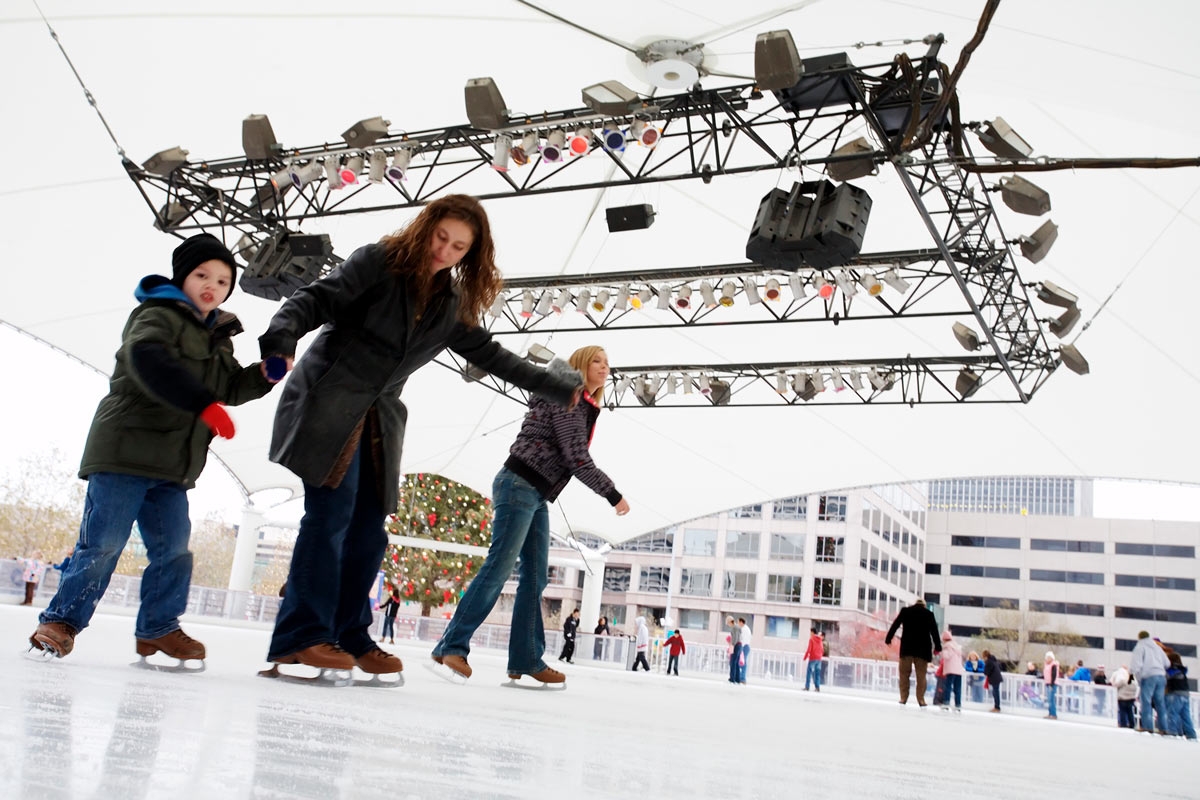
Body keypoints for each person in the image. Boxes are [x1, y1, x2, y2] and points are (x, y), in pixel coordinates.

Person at [259, 195, 588, 683]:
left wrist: (562, 386)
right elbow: (315, 299)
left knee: (370, 532)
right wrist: (281, 340)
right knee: (330, 517)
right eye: (441, 238)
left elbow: (492, 355)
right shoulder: (378, 262)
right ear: (426, 228)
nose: (446, 251)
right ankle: (299, 637)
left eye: (459, 247)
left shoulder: (447, 302)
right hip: (331, 400)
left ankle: (350, 635)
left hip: (378, 419)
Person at [28, 233, 275, 662]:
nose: (212, 286)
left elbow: (229, 386)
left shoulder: (217, 336)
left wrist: (265, 374)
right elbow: (149, 361)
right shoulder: (157, 316)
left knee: (174, 550)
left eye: (222, 280)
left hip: (172, 467)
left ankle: (158, 628)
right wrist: (202, 406)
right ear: (182, 278)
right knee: (103, 543)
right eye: (202, 275)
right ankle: (61, 621)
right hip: (124, 452)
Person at [429, 344, 628, 685]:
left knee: (535, 577)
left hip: (535, 493)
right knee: (499, 567)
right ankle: (451, 645)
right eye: (597, 360)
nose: (605, 367)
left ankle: (526, 659)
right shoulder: (567, 395)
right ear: (580, 364)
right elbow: (576, 458)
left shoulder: (580, 402)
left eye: (608, 363)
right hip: (519, 484)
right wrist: (612, 494)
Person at [884, 597, 941, 706]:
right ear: (924, 605)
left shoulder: (906, 611)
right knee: (921, 676)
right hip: (922, 651)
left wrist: (888, 638)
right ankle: (921, 699)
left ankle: (903, 698)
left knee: (904, 674)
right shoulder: (928, 614)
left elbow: (895, 625)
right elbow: (934, 631)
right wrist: (937, 647)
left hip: (907, 649)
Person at [1130, 630, 1170, 733]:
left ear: (1139, 637)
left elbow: (1136, 665)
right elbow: (1167, 663)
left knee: (1146, 702)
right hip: (1161, 676)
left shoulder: (1139, 647)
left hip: (1148, 677)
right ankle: (1163, 728)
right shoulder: (1157, 647)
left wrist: (1137, 676)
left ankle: (1147, 727)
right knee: (1160, 703)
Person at [1163, 648, 1196, 740]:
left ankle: (1172, 732)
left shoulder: (1172, 669)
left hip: (1175, 693)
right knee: (1185, 715)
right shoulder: (1182, 670)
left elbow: (1165, 677)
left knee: (1172, 713)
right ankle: (1191, 734)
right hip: (1185, 694)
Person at [939, 630, 964, 712]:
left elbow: (947, 656)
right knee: (957, 688)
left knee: (948, 687)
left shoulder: (947, 646)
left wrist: (941, 652)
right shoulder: (957, 646)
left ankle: (946, 702)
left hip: (951, 670)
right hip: (958, 670)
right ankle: (958, 704)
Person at [1111, 665, 1138, 729]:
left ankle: (1123, 724)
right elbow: (1135, 686)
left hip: (1122, 697)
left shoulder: (1122, 677)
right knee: (1130, 711)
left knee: (1122, 710)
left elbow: (1117, 684)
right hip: (1131, 697)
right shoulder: (1132, 678)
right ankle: (1132, 724)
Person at [1043, 651, 1060, 719]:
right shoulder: (1047, 665)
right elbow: (1046, 674)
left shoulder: (1053, 665)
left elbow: (1054, 675)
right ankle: (1050, 713)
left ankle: (1053, 714)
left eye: (1047, 658)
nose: (1046, 659)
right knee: (1049, 699)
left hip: (1052, 684)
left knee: (1051, 699)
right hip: (1048, 683)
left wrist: (1051, 684)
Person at [737, 617, 753, 684]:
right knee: (741, 662)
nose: (737, 623)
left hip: (744, 646)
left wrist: (740, 647)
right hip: (744, 646)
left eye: (738, 622)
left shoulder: (745, 629)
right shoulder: (744, 629)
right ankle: (741, 678)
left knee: (742, 663)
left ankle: (742, 678)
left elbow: (744, 639)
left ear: (741, 622)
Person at [725, 616, 740, 684]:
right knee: (736, 663)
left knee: (733, 662)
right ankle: (737, 679)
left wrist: (732, 645)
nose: (728, 625)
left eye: (728, 623)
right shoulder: (737, 627)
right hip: (738, 645)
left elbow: (735, 638)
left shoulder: (735, 628)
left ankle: (732, 679)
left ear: (730, 622)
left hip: (736, 645)